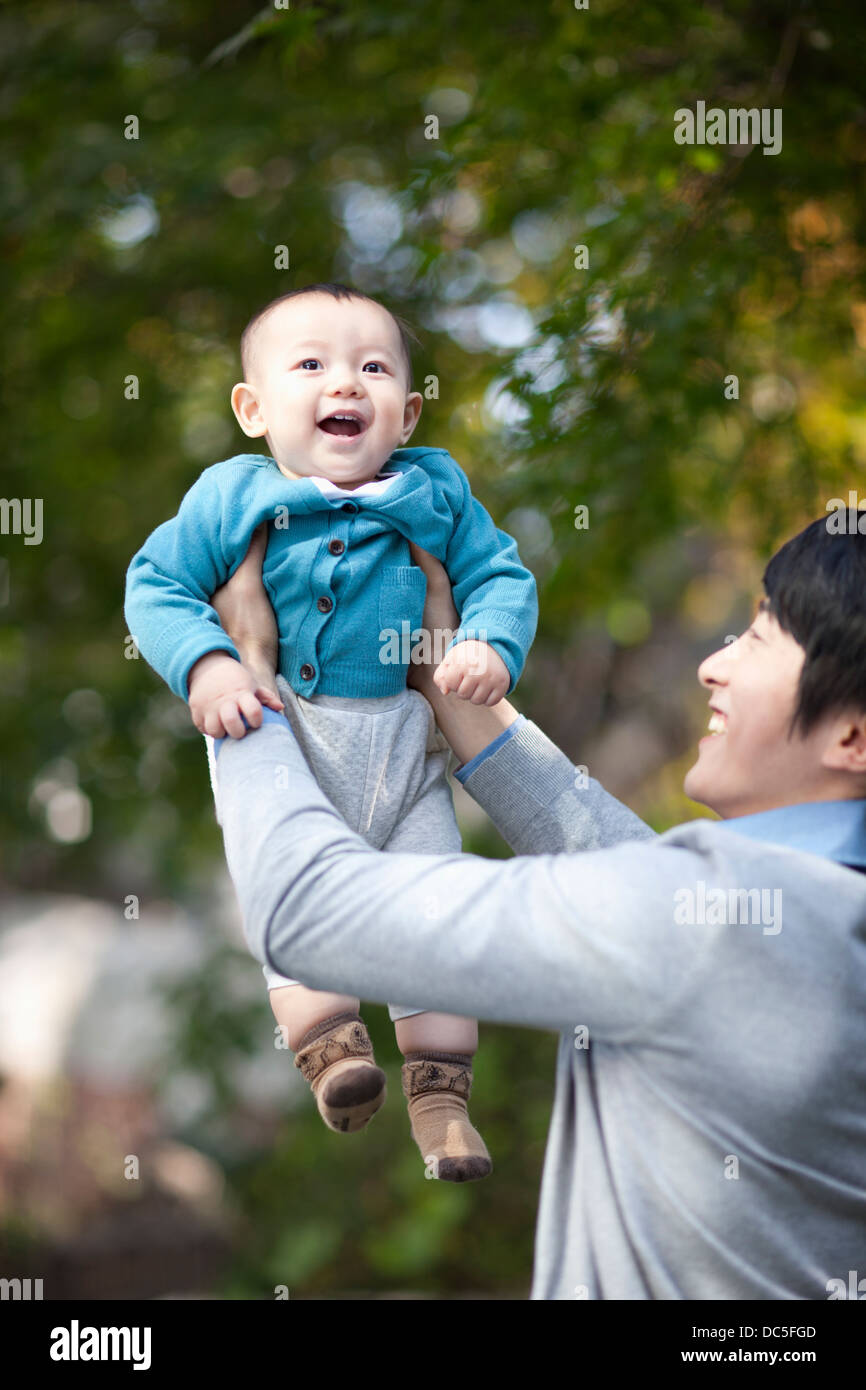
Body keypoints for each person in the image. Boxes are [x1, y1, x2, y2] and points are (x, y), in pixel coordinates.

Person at [207, 508, 866, 1300]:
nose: (712, 667)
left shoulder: (715, 919)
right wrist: (436, 676)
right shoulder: (809, 912)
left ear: (853, 739)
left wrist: (245, 678)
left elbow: (306, 910)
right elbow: (619, 865)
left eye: (760, 637)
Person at [124, 282, 538, 1181]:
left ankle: (441, 1105)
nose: (344, 383)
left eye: (373, 367)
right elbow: (153, 586)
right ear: (253, 407)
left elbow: (502, 576)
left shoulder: (437, 489)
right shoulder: (232, 495)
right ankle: (332, 1053)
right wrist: (211, 663)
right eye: (310, 364)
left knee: (435, 908)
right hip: (289, 736)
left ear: (409, 409)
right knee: (287, 885)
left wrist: (488, 644)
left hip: (403, 753)